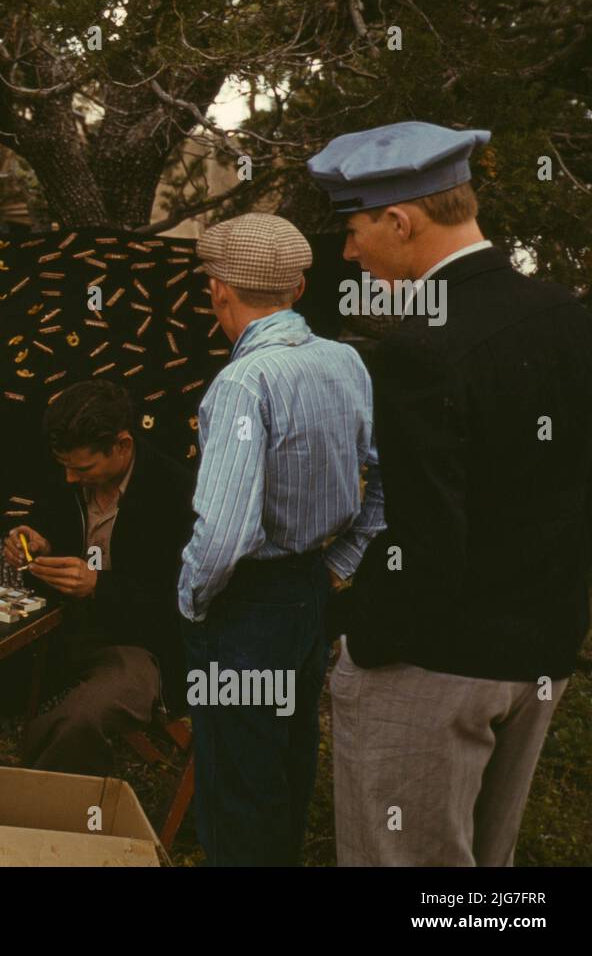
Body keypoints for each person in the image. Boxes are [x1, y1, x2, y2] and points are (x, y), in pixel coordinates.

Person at [307, 121, 592, 866]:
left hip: (433, 665)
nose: (349, 252)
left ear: (399, 220)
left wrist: (359, 637)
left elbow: (424, 542)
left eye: (353, 229)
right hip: (540, 654)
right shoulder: (571, 316)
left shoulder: (420, 350)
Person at [177, 212, 383, 866]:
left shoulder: (242, 384)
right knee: (287, 769)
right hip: (307, 592)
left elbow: (221, 539)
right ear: (296, 289)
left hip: (249, 604)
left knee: (238, 788)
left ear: (219, 290)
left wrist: (193, 602)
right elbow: (382, 482)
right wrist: (336, 564)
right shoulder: (344, 359)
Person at [0, 379, 197, 776]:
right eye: (67, 468)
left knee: (77, 719)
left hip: (144, 648)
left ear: (122, 445)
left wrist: (99, 587)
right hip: (62, 629)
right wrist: (36, 544)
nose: (72, 478)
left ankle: (47, 820)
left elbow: (183, 604)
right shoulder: (70, 476)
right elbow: (49, 529)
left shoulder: (174, 493)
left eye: (83, 468)